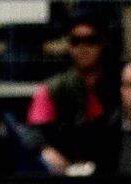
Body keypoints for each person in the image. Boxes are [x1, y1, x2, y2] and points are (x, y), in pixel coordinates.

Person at [26, 8, 120, 174]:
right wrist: (45, 150)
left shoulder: (119, 85)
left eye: (91, 40)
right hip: (66, 174)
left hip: (111, 173)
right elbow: (34, 133)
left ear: (104, 42)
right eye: (76, 41)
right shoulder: (52, 89)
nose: (83, 48)